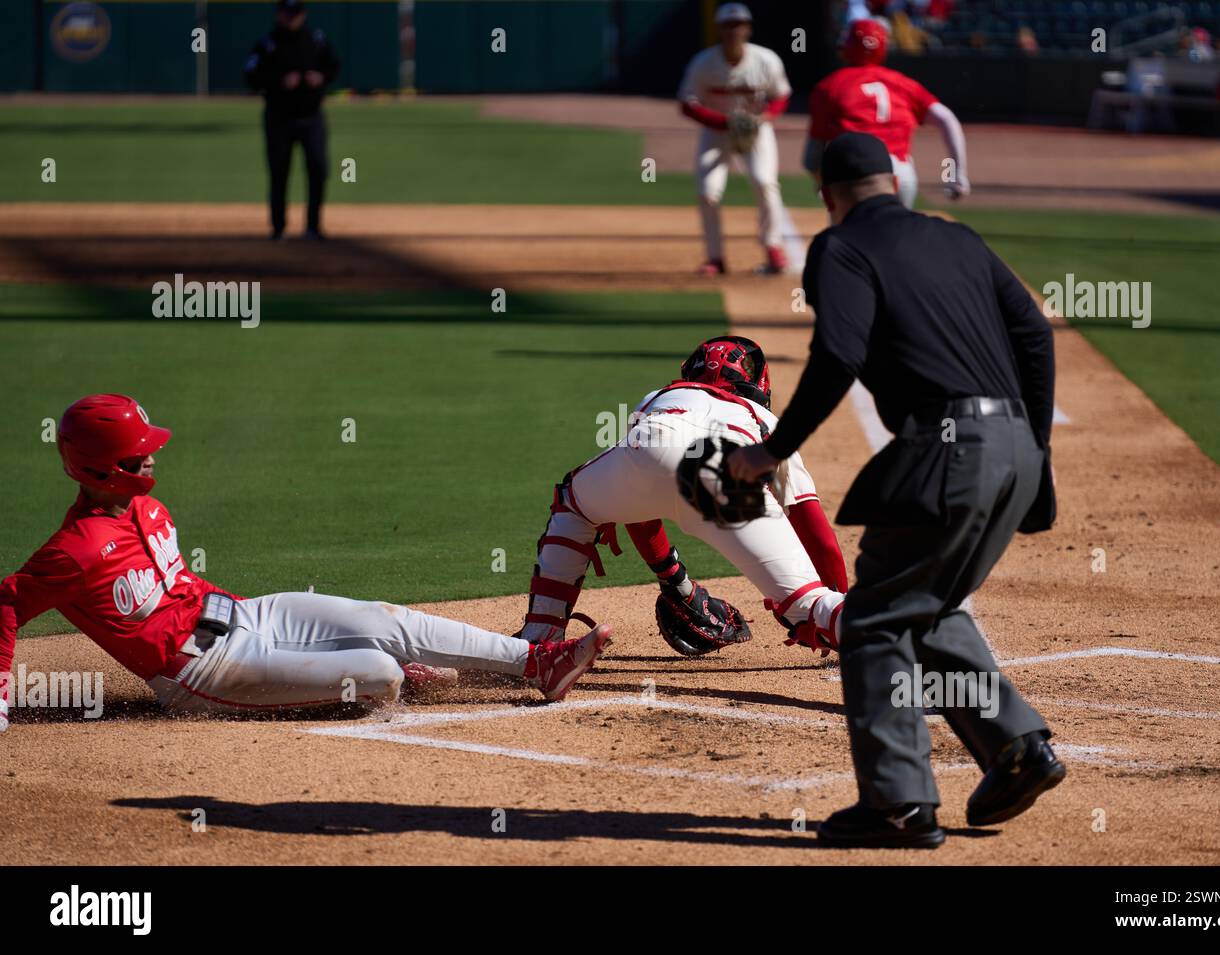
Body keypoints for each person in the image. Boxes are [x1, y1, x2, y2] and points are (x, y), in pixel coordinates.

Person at [729, 133, 1064, 849]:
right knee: (924, 601)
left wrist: (772, 450)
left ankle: (897, 805)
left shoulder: (840, 247)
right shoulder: (960, 237)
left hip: (948, 449)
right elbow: (1035, 333)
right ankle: (1016, 748)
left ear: (829, 193)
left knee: (876, 617)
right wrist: (1035, 446)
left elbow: (839, 353)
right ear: (894, 180)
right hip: (1014, 450)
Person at [0, 395, 609, 731]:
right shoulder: (74, 551)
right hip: (202, 676)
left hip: (240, 616)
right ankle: (368, 669)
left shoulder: (148, 509)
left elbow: (182, 587)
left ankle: (538, 661)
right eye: (139, 457)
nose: (152, 461)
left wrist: (245, 617)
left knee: (382, 618)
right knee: (380, 673)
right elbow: (8, 602)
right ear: (100, 468)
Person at [514, 337, 847, 659]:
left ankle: (539, 639)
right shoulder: (765, 419)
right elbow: (812, 526)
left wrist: (674, 580)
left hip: (653, 442)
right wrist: (827, 598)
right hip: (727, 476)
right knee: (810, 603)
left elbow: (640, 506)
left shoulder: (657, 396)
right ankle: (879, 631)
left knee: (573, 503)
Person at [678, 3, 793, 275]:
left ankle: (772, 247)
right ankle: (715, 258)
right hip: (716, 130)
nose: (734, 30)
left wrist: (765, 118)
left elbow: (781, 95)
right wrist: (723, 122)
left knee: (765, 182)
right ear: (719, 30)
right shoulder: (703, 63)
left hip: (755, 129)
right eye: (728, 26)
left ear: (748, 29)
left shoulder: (766, 60)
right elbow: (687, 104)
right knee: (707, 192)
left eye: (739, 25)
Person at [805, 19, 969, 208]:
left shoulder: (829, 86)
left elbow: (811, 159)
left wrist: (822, 182)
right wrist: (957, 174)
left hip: (854, 174)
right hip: (900, 175)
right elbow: (947, 119)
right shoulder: (903, 83)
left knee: (846, 235)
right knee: (896, 235)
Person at [243, 0, 339, 241]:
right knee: (279, 172)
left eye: (296, 13)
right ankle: (278, 228)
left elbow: (334, 65)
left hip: (311, 116)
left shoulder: (316, 39)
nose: (292, 18)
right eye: (287, 13)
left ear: (303, 14)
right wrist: (279, 82)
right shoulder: (268, 44)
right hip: (279, 118)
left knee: (318, 169)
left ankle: (313, 227)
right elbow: (251, 75)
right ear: (279, 14)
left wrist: (321, 77)